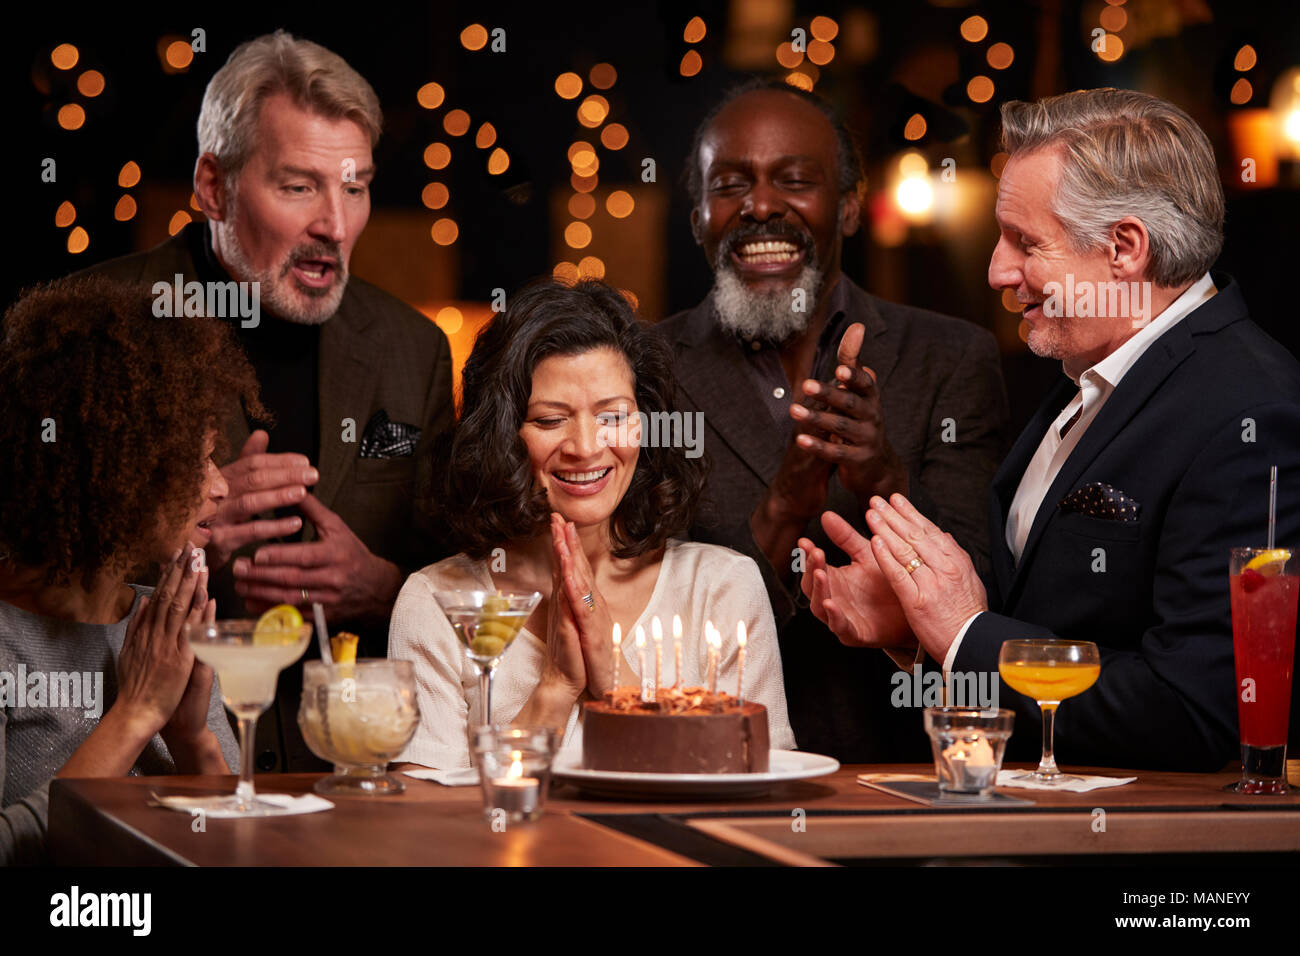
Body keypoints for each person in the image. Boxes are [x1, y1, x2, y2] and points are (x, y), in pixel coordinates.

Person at [802, 88, 1300, 771]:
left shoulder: (1250, 410)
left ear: (1125, 248)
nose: (997, 271)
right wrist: (921, 633)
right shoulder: (1087, 373)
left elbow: (1194, 710)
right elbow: (1048, 620)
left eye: (1026, 242)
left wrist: (963, 633)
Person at [86, 31, 455, 771]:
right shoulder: (93, 327)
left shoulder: (413, 348)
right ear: (213, 186)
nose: (335, 225)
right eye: (299, 186)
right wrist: (177, 544)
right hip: (142, 770)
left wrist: (385, 588)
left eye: (354, 187)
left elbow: (461, 567)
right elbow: (26, 573)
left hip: (352, 782)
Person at [657, 79, 1009, 761]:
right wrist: (783, 506)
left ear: (848, 208)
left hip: (904, 778)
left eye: (794, 180)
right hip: (705, 767)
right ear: (699, 214)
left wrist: (882, 476)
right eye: (730, 185)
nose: (760, 205)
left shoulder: (952, 358)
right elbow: (643, 614)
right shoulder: (644, 371)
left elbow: (980, 602)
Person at [389, 279, 795, 768]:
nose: (586, 446)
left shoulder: (722, 588)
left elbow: (756, 789)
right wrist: (557, 687)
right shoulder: (437, 603)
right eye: (548, 420)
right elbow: (428, 824)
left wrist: (614, 677)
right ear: (503, 435)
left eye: (614, 416)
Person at [0, 276, 247, 865]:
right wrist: (136, 713)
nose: (220, 485)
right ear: (115, 471)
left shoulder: (159, 619)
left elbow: (238, 845)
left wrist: (190, 737)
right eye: (196, 461)